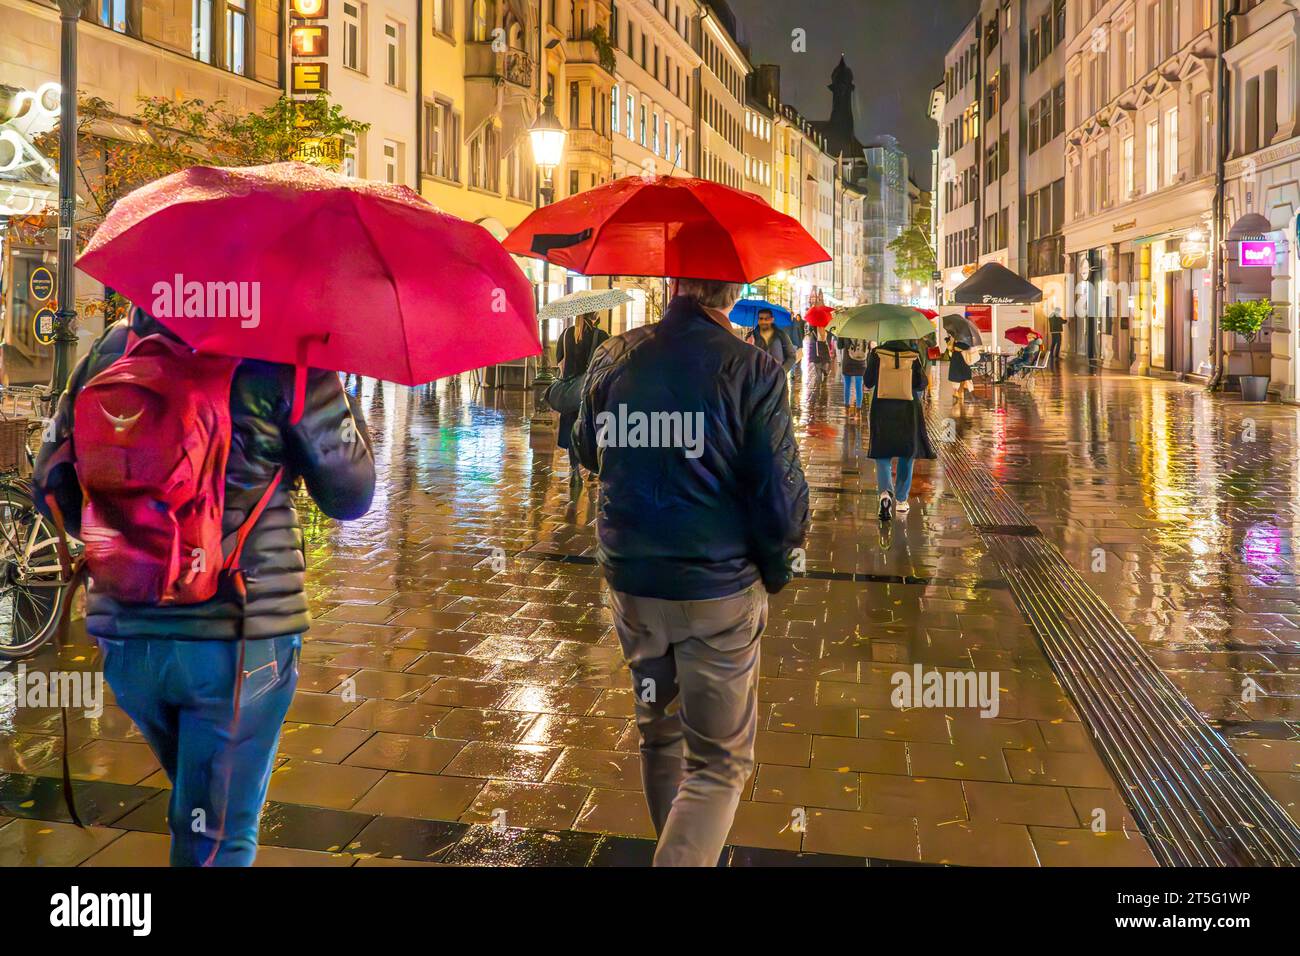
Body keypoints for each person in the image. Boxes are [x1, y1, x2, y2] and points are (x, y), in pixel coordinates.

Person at [33, 308, 376, 866]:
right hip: (238, 639)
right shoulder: (287, 355)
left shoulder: (111, 350)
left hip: (128, 638)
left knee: (198, 809)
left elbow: (51, 487)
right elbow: (350, 495)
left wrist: (135, 539)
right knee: (215, 840)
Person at [574, 277, 810, 867]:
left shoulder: (614, 354)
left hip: (633, 581)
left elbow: (585, 447)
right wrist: (777, 568)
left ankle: (681, 850)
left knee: (660, 731)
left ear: (673, 283)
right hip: (717, 591)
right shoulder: (754, 368)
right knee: (717, 762)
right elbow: (780, 496)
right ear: (733, 294)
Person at [864, 339, 935, 521]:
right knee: (907, 453)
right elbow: (921, 384)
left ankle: (885, 494)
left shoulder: (877, 354)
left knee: (882, 453)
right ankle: (902, 500)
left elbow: (868, 381)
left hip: (882, 409)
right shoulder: (913, 355)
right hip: (907, 410)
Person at [554, 311, 609, 485]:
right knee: (593, 427)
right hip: (591, 390)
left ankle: (574, 471)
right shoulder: (600, 335)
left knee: (572, 429)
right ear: (595, 315)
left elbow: (559, 360)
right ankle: (593, 469)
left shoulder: (566, 334)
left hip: (570, 391)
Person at [746, 308, 798, 374]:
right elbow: (746, 360)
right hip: (758, 379)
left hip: (778, 381)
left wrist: (782, 371)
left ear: (772, 319)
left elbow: (792, 357)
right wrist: (749, 347)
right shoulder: (751, 337)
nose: (763, 321)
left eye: (766, 319)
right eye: (761, 318)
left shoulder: (781, 335)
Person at [840, 335, 868, 419]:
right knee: (859, 385)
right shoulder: (865, 330)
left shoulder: (845, 331)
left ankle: (847, 409)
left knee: (847, 385)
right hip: (861, 361)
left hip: (848, 361)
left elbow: (839, 345)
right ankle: (858, 410)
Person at [806, 325, 831, 391]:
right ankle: (822, 389)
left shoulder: (813, 332)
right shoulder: (826, 330)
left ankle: (819, 388)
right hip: (823, 352)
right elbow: (827, 341)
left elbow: (811, 344)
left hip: (817, 353)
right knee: (823, 366)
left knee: (818, 371)